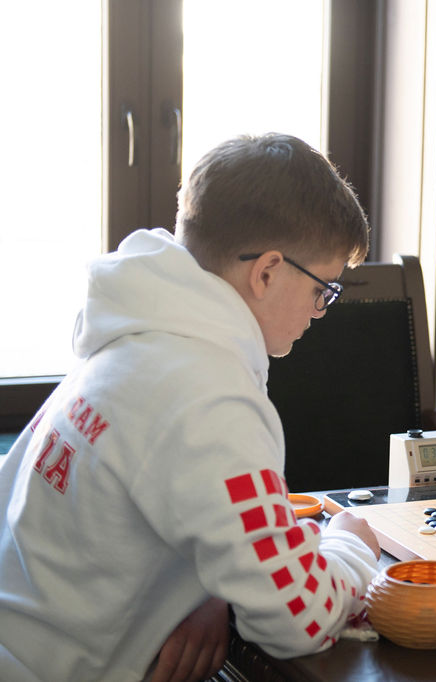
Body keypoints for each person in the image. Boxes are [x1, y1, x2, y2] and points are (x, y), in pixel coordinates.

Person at [0, 133, 382, 681]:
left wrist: (209, 588)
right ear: (268, 272)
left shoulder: (138, 332)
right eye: (324, 289)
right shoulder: (210, 396)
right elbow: (300, 617)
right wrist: (351, 544)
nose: (319, 311)